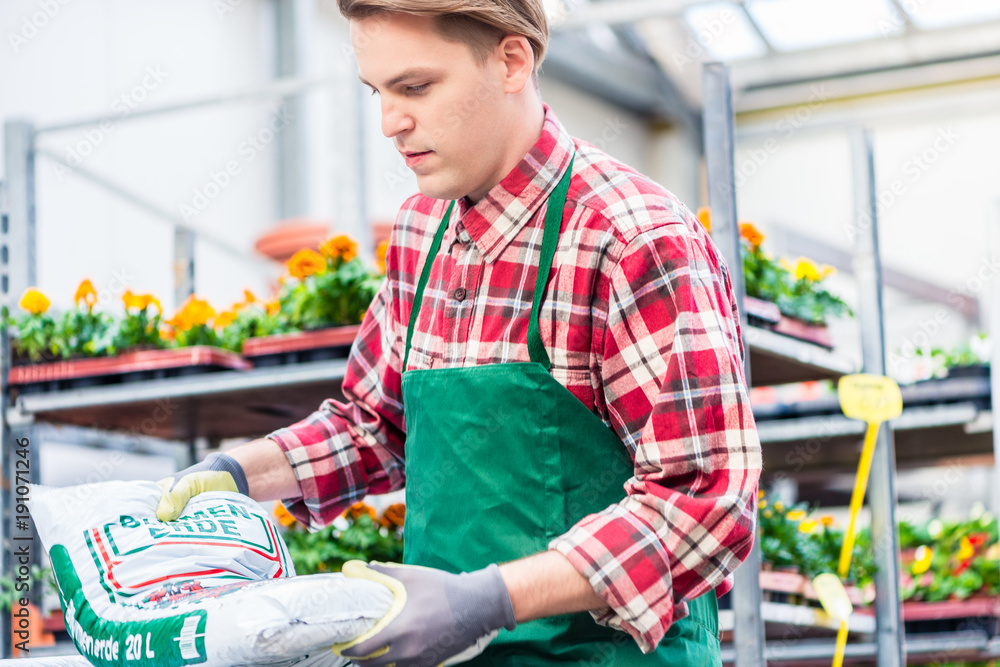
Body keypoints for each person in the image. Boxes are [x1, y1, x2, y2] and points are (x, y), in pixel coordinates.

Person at [156, 0, 762, 664]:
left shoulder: (630, 236)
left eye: (415, 87)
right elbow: (376, 426)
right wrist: (238, 471)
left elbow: (705, 500)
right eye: (378, 92)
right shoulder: (422, 229)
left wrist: (489, 599)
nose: (391, 122)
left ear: (511, 61)